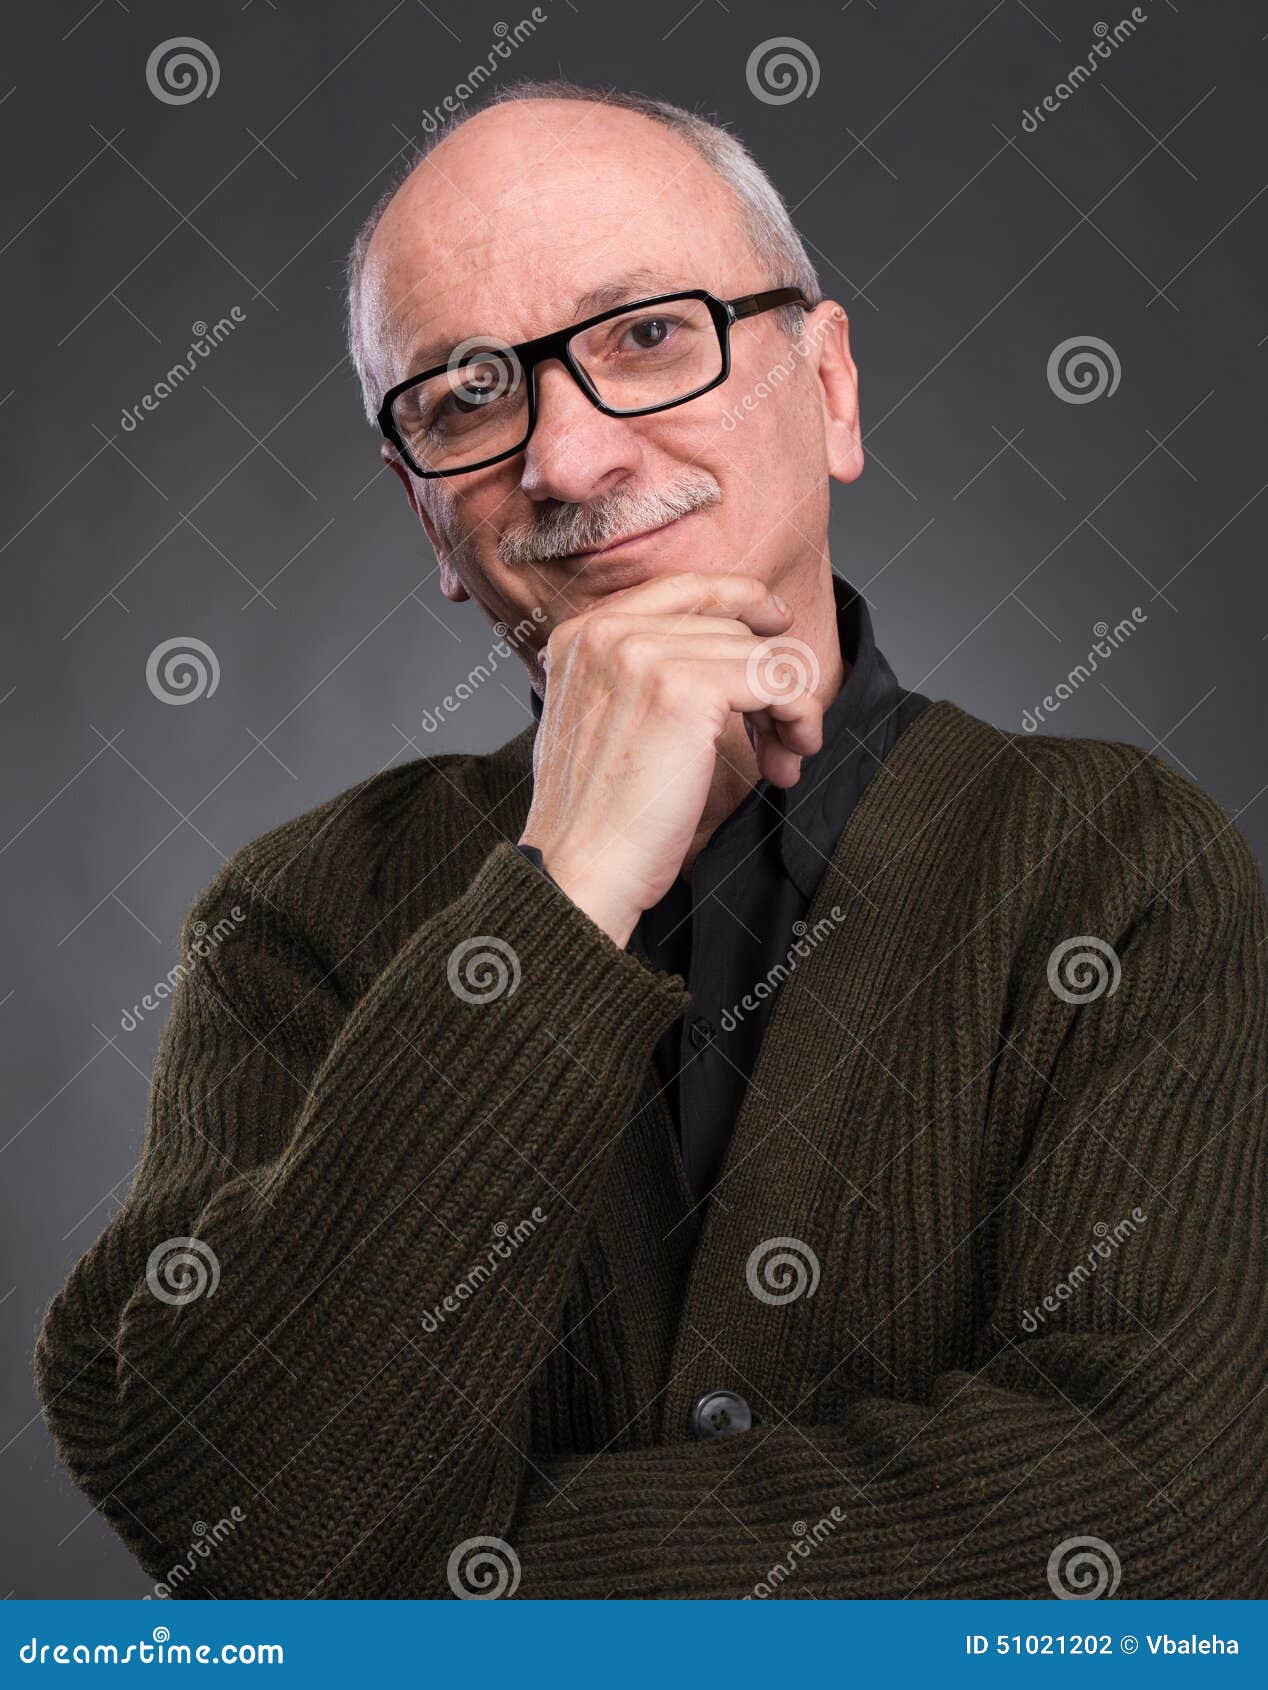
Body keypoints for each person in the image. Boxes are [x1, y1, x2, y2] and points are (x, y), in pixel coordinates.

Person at [36, 82, 1267, 1600]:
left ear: (830, 387)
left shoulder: (1119, 863)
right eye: (468, 397)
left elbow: (1173, 1520)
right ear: (430, 515)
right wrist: (562, 899)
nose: (564, 458)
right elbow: (241, 1502)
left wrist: (432, 1586)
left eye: (645, 337)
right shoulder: (298, 916)